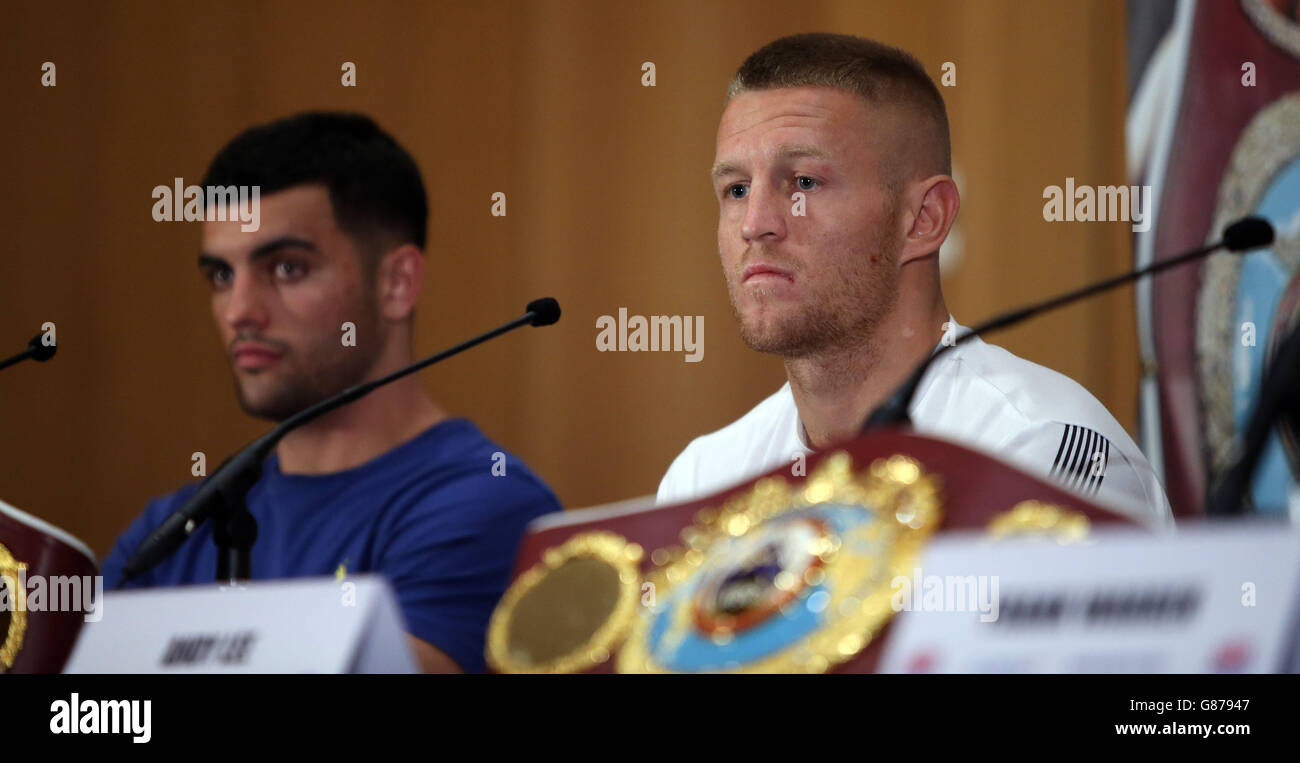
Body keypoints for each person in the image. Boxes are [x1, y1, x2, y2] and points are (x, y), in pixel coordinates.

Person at [100, 112, 561, 673]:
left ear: (397, 283)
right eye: (222, 275)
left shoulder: (486, 505)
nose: (240, 310)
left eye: (287, 268)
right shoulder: (169, 533)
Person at [657, 33, 1172, 525]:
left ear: (924, 218)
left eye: (805, 182)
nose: (755, 224)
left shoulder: (1038, 457)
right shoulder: (704, 481)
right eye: (737, 189)